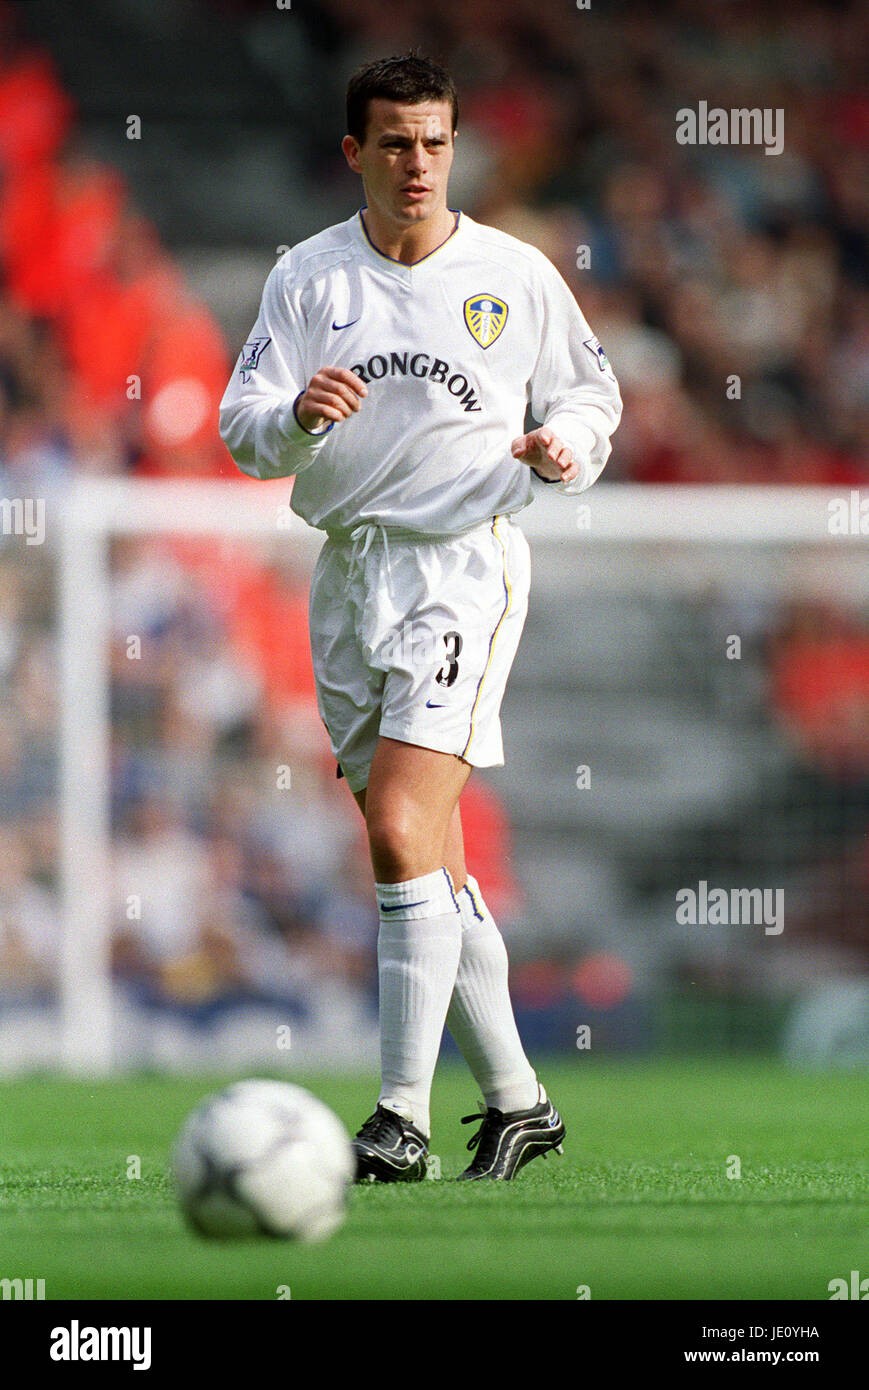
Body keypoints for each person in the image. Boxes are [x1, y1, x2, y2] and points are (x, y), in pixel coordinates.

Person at [219, 53, 621, 1181]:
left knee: (400, 822)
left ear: (455, 148)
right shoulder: (308, 279)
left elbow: (590, 392)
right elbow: (240, 426)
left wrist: (566, 447)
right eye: (394, 142)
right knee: (420, 855)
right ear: (355, 153)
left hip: (462, 568)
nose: (417, 162)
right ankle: (518, 1099)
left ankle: (397, 1115)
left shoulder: (514, 273)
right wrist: (296, 417)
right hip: (349, 576)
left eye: (434, 141)